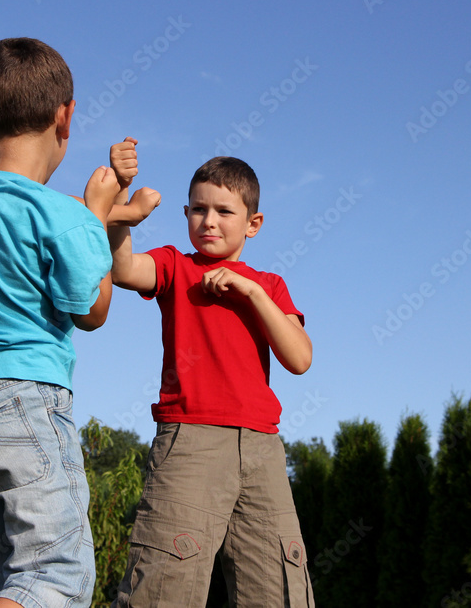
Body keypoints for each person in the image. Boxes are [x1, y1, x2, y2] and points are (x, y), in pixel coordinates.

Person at [0, 37, 122, 608]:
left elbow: (28, 243)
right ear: (67, 116)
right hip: (20, 401)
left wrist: (102, 218)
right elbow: (92, 310)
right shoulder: (62, 214)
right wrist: (95, 218)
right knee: (53, 576)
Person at [107, 137, 315, 606]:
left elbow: (299, 359)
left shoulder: (270, 285)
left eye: (224, 211)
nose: (209, 221)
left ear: (253, 224)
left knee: (280, 587)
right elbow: (122, 270)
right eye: (199, 210)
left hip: (262, 447)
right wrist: (121, 198)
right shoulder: (175, 266)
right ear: (185, 215)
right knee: (163, 586)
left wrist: (252, 293)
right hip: (191, 441)